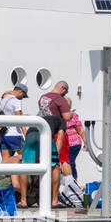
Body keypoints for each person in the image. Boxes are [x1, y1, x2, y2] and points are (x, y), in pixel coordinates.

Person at [38, 80, 73, 208]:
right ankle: (57, 197)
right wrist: (72, 113)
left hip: (44, 133)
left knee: (43, 163)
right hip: (58, 132)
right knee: (60, 163)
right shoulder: (60, 99)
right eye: (66, 92)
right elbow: (67, 117)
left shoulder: (42, 97)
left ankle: (41, 195)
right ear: (63, 89)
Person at [0, 84, 28, 206]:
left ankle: (0, 190)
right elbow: (20, 121)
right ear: (20, 91)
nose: (22, 98)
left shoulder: (3, 100)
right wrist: (27, 136)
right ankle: (21, 191)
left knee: (5, 164)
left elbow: (1, 116)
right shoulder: (15, 101)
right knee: (25, 160)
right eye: (23, 95)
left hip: (4, 135)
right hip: (15, 135)